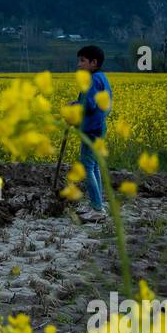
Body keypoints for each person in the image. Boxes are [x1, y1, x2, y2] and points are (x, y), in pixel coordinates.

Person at [74, 44, 112, 221]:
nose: (79, 65)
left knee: (87, 166)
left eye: (82, 61)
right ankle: (97, 205)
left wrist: (73, 109)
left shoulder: (92, 80)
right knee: (94, 166)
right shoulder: (102, 78)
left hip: (91, 129)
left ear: (93, 62)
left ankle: (97, 209)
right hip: (98, 127)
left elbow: (89, 105)